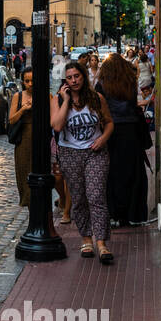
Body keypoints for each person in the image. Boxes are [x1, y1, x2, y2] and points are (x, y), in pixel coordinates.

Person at [51, 60, 115, 264]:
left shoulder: (96, 98)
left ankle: (102, 243)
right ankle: (86, 239)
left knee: (96, 196)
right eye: (69, 77)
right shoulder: (59, 100)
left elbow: (109, 123)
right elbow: (58, 126)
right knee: (78, 198)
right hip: (70, 154)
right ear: (65, 81)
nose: (73, 80)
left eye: (76, 76)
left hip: (95, 152)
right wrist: (66, 99)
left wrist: (102, 139)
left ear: (83, 76)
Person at [96, 53, 149, 226]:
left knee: (111, 173)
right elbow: (133, 105)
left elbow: (98, 109)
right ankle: (132, 213)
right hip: (131, 130)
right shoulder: (129, 82)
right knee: (133, 172)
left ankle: (114, 213)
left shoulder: (101, 85)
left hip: (110, 130)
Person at [8, 67, 34, 208]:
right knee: (24, 174)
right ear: (23, 82)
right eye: (27, 81)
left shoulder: (46, 96)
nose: (30, 84)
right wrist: (23, 109)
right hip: (23, 140)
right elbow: (11, 120)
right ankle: (28, 205)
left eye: (32, 80)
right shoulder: (18, 96)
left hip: (39, 140)